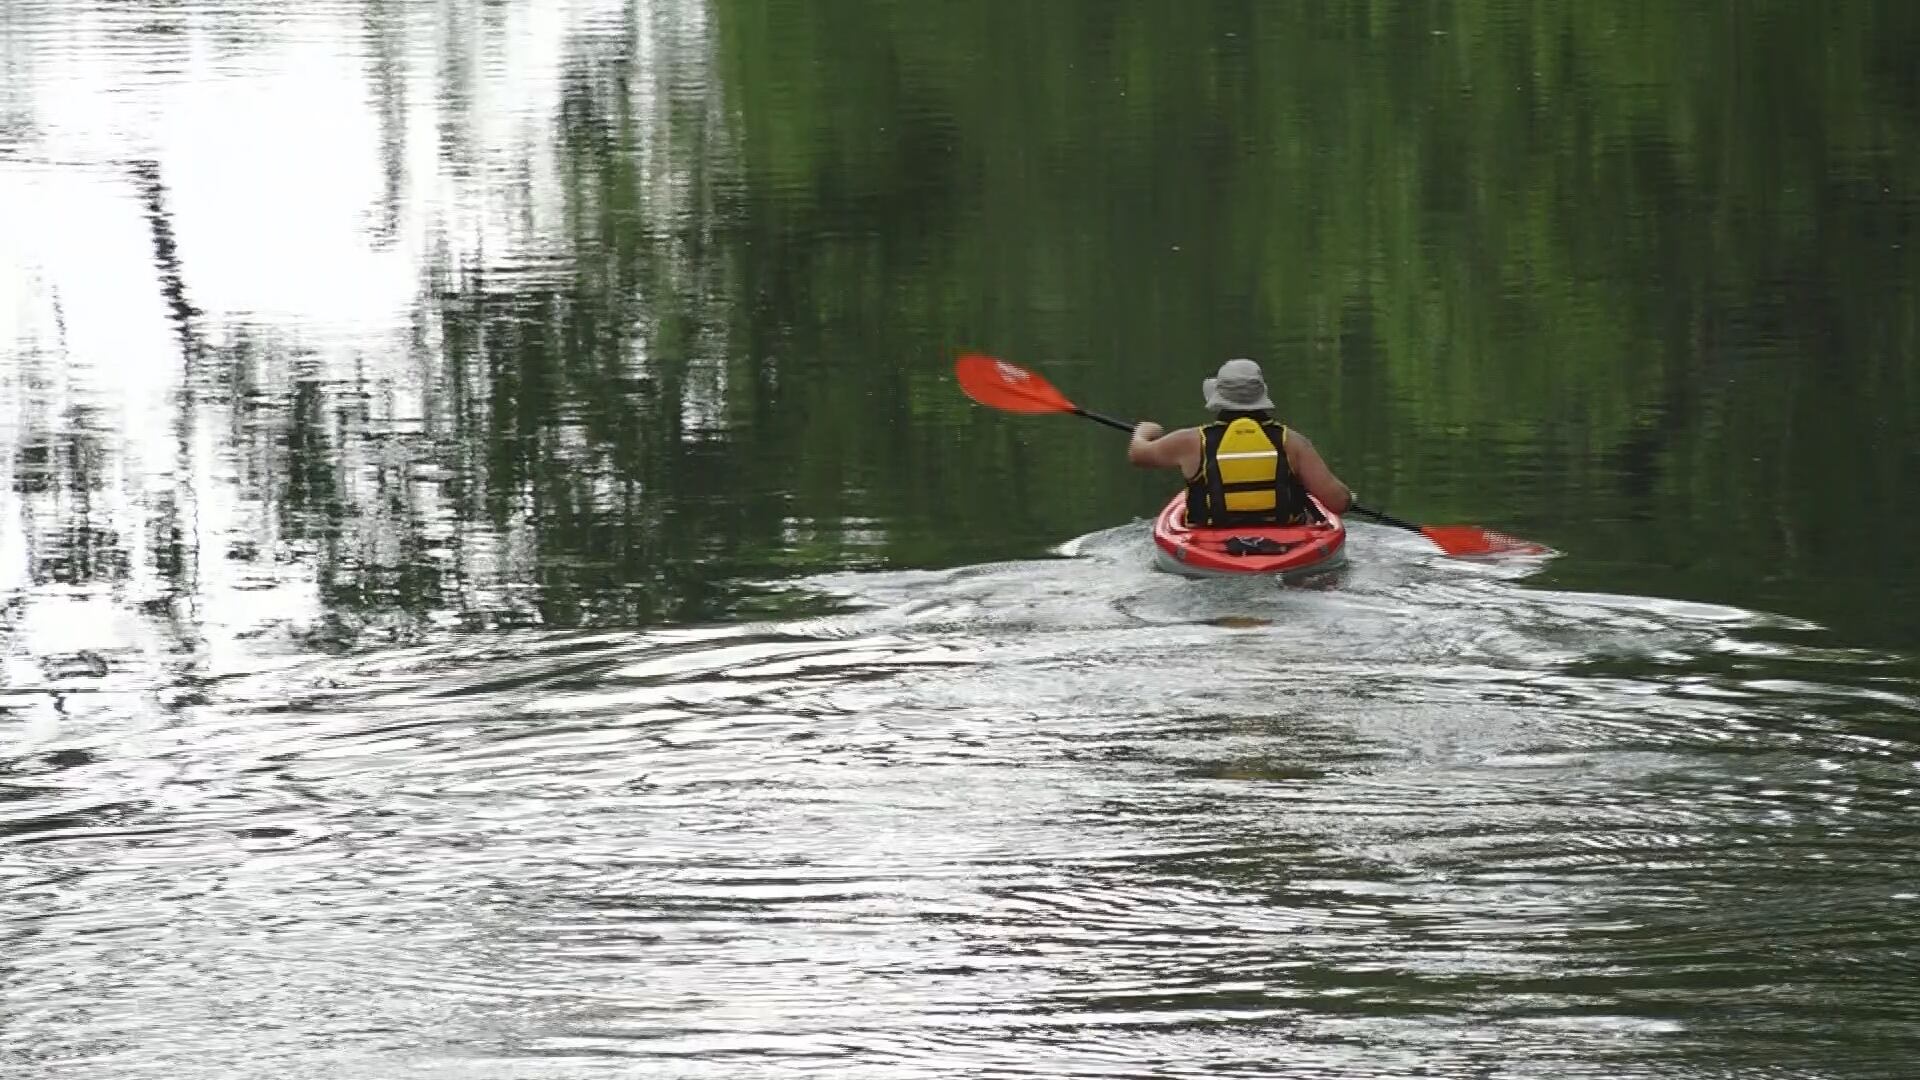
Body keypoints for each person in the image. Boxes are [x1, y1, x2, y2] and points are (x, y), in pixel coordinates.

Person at [1127, 358, 1353, 525]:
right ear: (1261, 396)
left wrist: (1143, 431)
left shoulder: (1190, 441)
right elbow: (1337, 503)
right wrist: (1349, 497)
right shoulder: (1293, 443)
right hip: (1286, 546)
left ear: (1218, 399)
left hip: (1208, 548)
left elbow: (1138, 454)